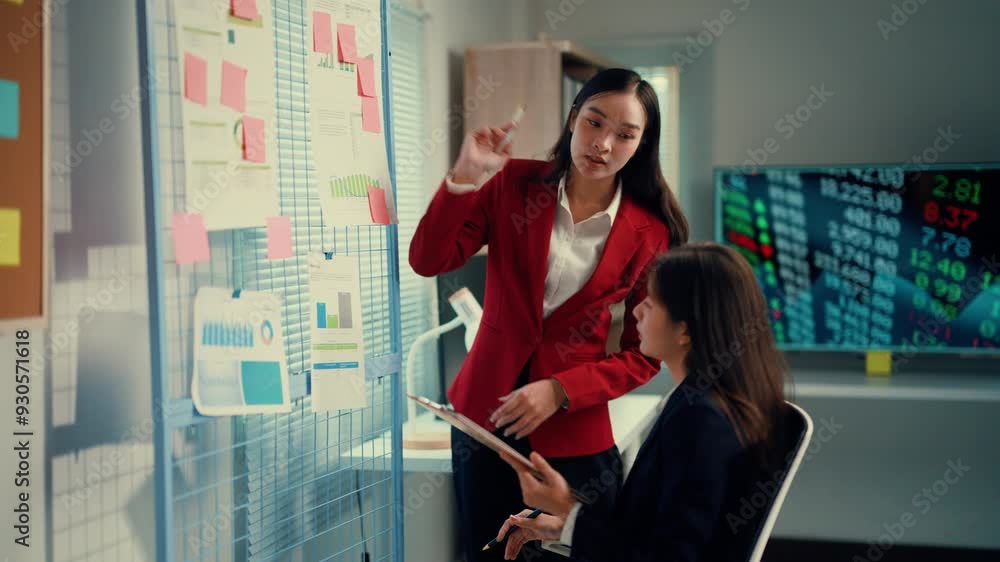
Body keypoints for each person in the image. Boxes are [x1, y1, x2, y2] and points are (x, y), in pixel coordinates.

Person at [408, 68, 689, 561]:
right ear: (573, 117)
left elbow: (644, 356)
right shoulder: (511, 182)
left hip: (575, 433)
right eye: (594, 123)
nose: (602, 144)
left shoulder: (650, 230)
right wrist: (463, 180)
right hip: (483, 422)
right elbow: (429, 261)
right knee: (490, 553)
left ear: (642, 144)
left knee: (573, 555)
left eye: (625, 135)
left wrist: (561, 390)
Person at [493, 242, 791, 562]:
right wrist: (565, 526)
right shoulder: (702, 401)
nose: (636, 311)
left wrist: (568, 509)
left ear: (684, 331)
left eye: (650, 304)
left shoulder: (700, 419)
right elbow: (650, 534)